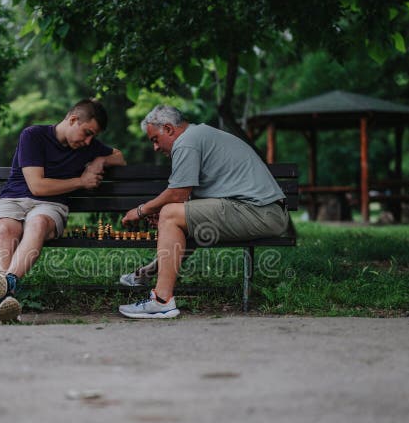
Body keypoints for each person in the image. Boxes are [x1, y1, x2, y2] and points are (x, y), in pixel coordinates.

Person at [117, 105, 288, 319]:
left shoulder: (187, 142)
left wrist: (141, 211)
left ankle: (161, 300)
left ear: (169, 129)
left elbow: (178, 194)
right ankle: (146, 275)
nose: (155, 147)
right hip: (262, 212)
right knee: (175, 218)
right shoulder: (198, 135)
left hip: (260, 211)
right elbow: (189, 201)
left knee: (170, 214)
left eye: (154, 139)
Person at [0, 99, 125, 323]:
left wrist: (100, 159)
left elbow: (120, 157)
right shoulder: (33, 135)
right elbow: (37, 186)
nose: (89, 141)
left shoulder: (88, 146)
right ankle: (6, 299)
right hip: (13, 198)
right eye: (87, 132)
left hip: (49, 206)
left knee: (37, 223)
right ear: (73, 120)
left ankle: (6, 286)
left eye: (93, 137)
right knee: (3, 229)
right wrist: (81, 181)